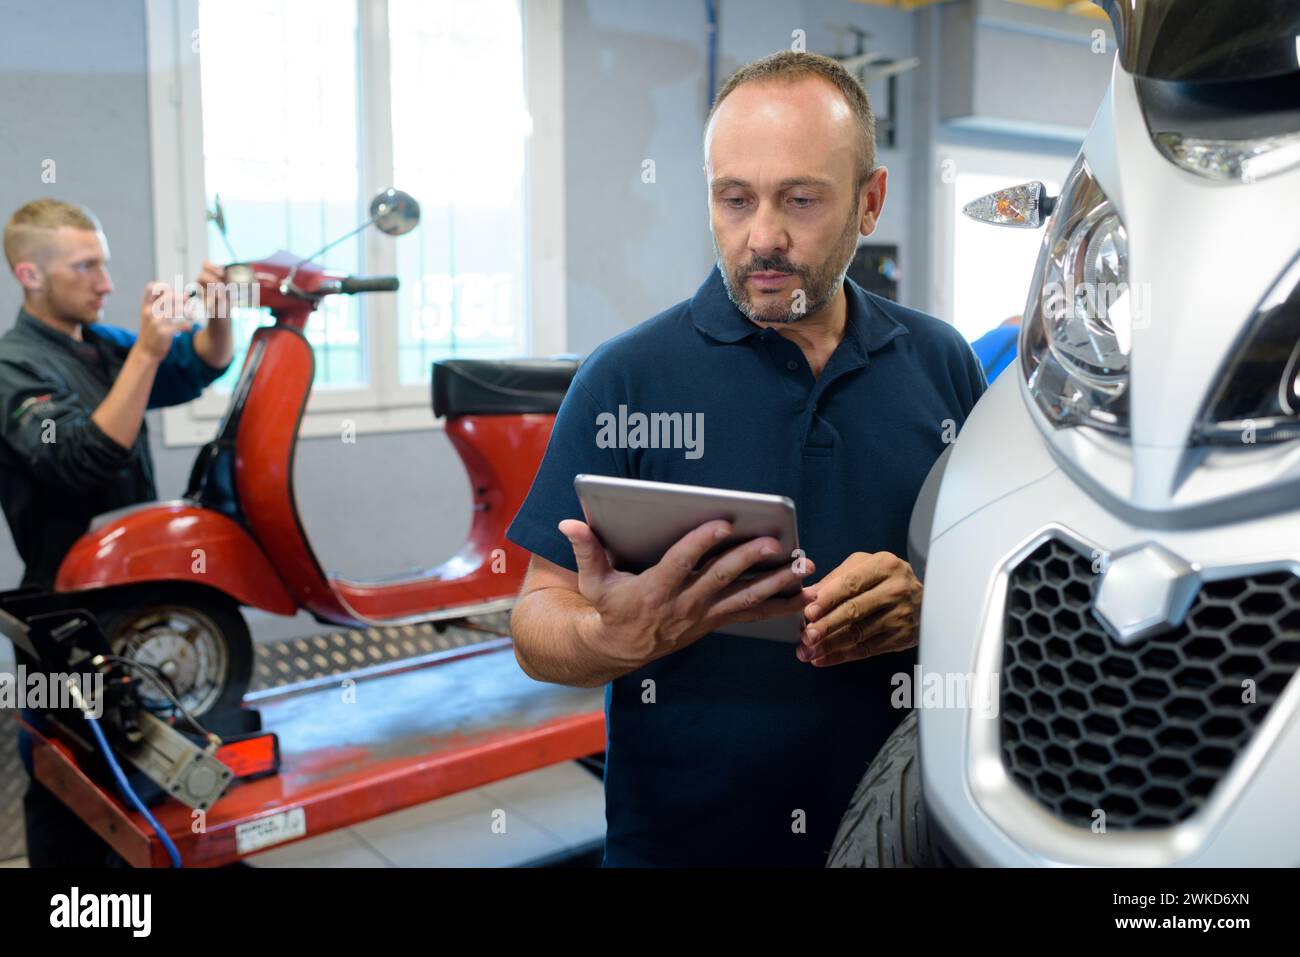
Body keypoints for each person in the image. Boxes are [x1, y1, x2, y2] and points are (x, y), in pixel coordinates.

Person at [506, 51, 987, 866]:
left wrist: (932, 608)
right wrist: (611, 636)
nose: (762, 236)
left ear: (869, 202)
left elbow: (997, 585)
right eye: (734, 200)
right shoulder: (627, 377)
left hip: (904, 835)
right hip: (685, 846)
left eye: (801, 199)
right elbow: (532, 622)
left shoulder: (941, 363)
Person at [1, 197, 233, 866]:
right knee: (67, 789)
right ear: (30, 275)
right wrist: (148, 354)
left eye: (104, 264)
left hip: (124, 604)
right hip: (62, 618)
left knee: (138, 791)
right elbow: (78, 459)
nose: (106, 283)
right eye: (86, 267)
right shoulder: (12, 367)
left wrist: (214, 315)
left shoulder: (101, 345)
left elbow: (199, 365)